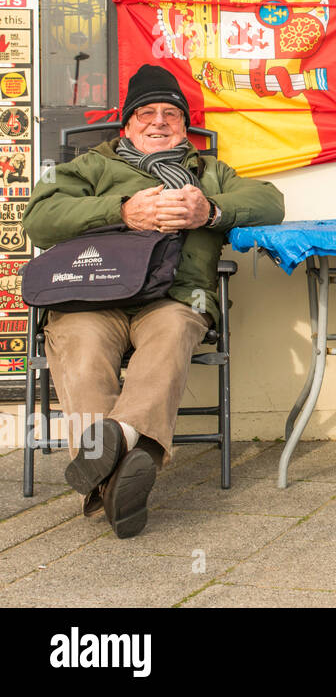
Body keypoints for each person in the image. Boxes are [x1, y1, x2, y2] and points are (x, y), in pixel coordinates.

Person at [23, 64, 285, 538]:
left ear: (185, 126)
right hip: (91, 296)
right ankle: (123, 471)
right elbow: (39, 218)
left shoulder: (208, 173)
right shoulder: (92, 166)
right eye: (147, 112)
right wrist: (122, 210)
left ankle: (111, 447)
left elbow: (270, 201)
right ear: (127, 124)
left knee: (170, 334)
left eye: (171, 113)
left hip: (173, 297)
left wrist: (210, 210)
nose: (159, 121)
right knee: (81, 350)